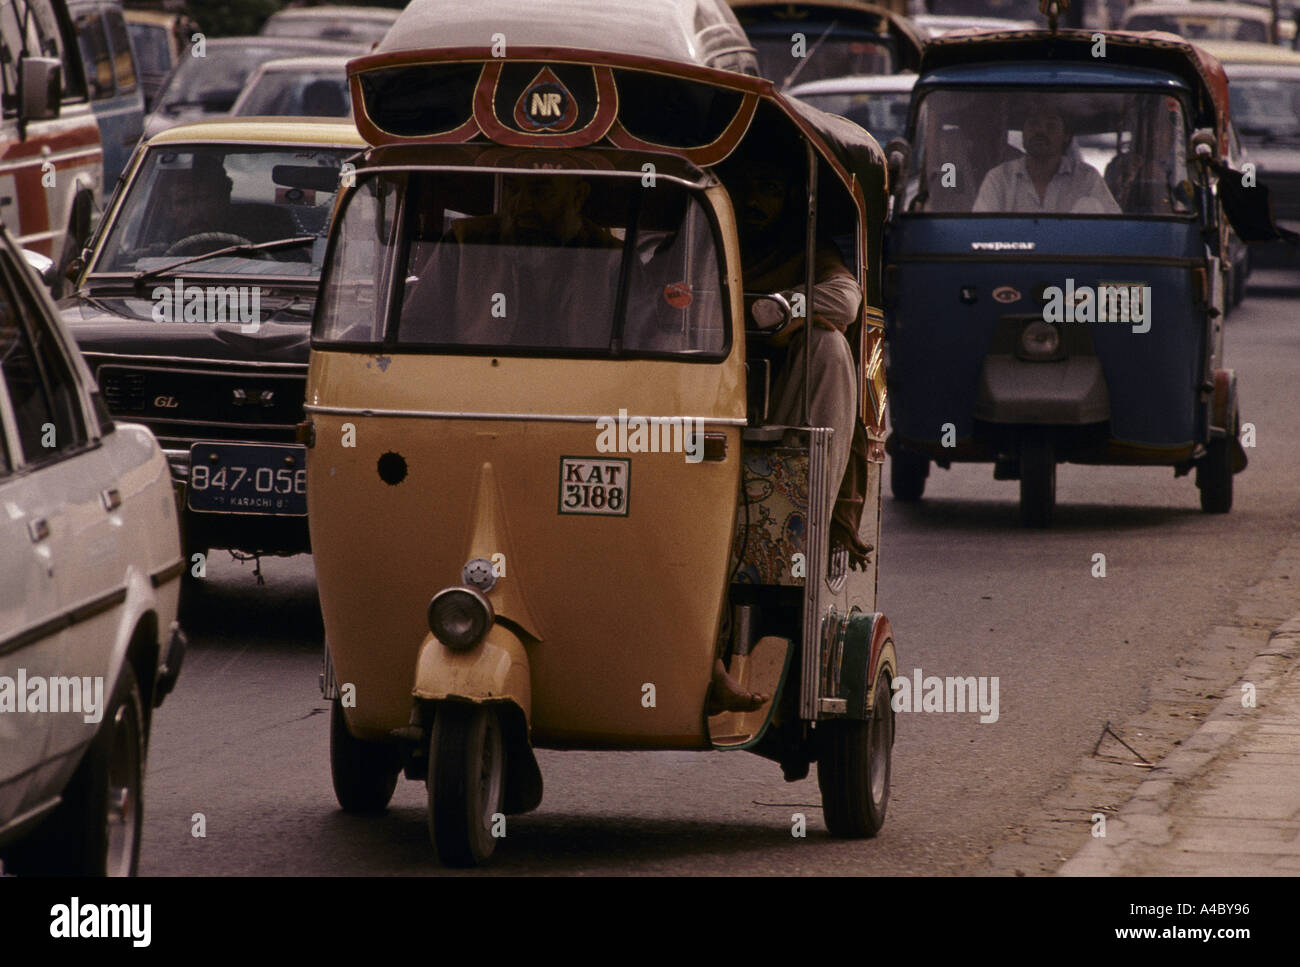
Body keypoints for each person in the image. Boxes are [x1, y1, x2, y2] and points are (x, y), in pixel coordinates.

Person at [708, 152, 862, 715]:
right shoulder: (699, 232)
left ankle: (812, 516)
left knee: (829, 345)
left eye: (769, 188)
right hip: (690, 429)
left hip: (774, 433)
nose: (755, 202)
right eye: (746, 187)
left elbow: (845, 299)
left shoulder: (804, 248)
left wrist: (786, 306)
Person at [972, 101, 1121, 214]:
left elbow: (1112, 230)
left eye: (1051, 125)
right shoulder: (999, 178)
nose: (1040, 131)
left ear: (1066, 136)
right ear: (1023, 133)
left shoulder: (1087, 178)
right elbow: (981, 232)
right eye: (1033, 123)